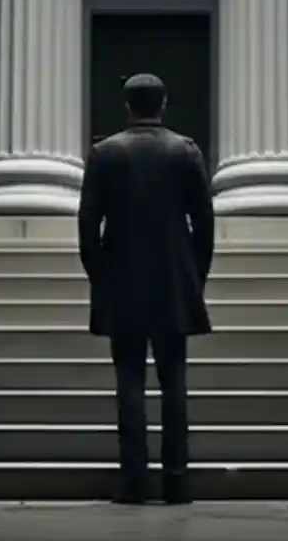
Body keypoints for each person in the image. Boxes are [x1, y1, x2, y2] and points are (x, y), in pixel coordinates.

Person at [77, 73, 215, 505]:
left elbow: (87, 226)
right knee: (174, 383)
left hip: (123, 281)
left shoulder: (104, 153)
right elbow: (204, 223)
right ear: (164, 103)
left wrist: (101, 279)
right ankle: (177, 480)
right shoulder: (185, 151)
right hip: (173, 280)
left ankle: (133, 480)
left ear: (127, 106)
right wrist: (194, 277)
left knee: (129, 382)